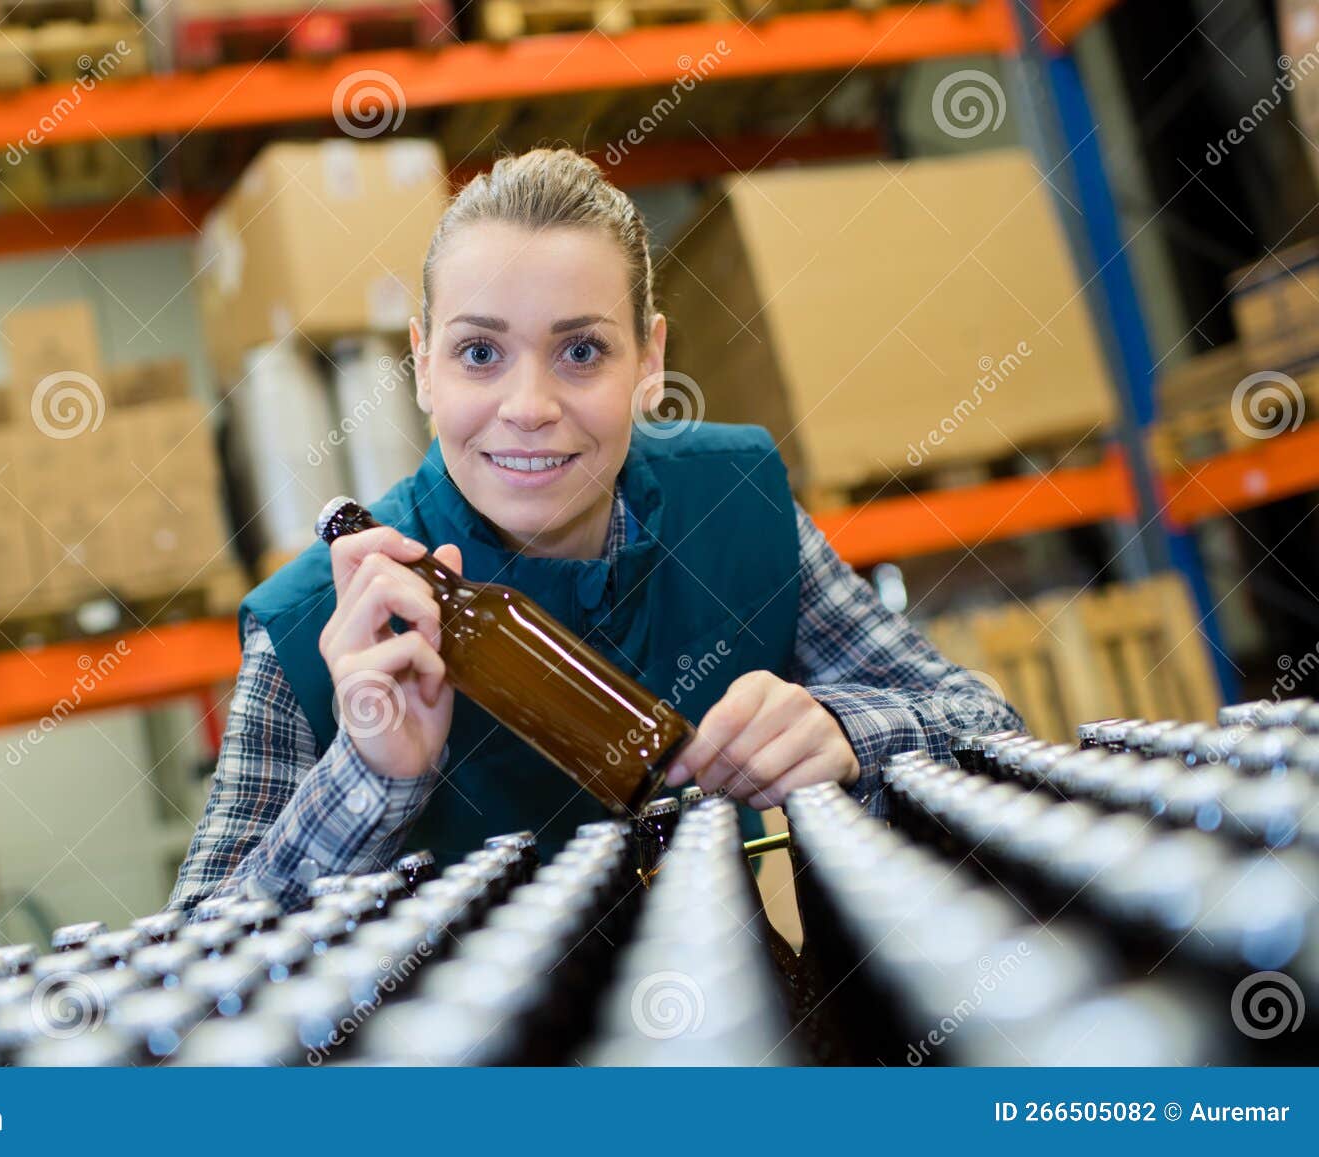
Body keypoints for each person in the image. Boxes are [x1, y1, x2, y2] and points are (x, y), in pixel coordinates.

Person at [170, 148, 1022, 914]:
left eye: (581, 352)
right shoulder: (315, 623)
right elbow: (196, 964)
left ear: (650, 363)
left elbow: (983, 724)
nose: (530, 408)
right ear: (422, 363)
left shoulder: (731, 504)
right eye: (479, 354)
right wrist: (370, 777)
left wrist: (844, 732)